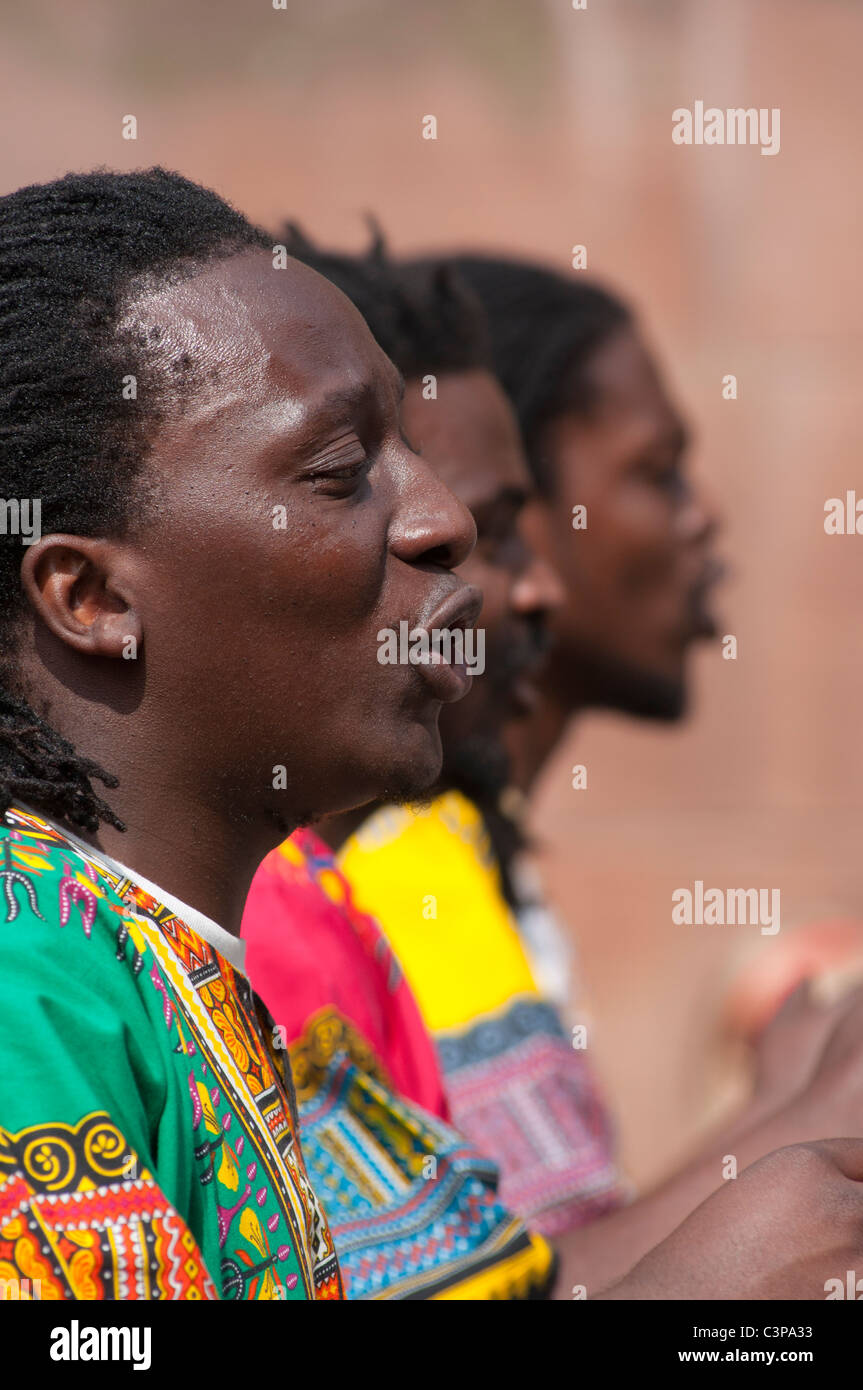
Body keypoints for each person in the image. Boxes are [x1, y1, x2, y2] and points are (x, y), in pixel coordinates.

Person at [0, 167, 483, 1301]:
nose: (441, 520)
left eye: (405, 452)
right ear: (89, 597)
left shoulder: (147, 965)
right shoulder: (30, 992)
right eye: (338, 474)